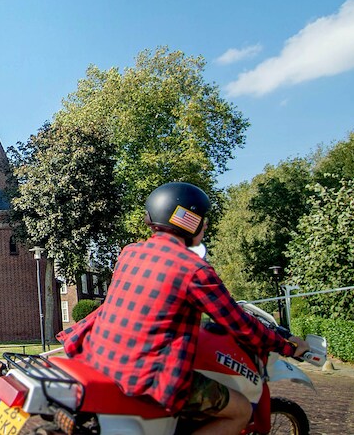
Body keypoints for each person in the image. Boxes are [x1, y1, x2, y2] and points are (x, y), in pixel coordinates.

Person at [58, 182, 309, 435]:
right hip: (145, 377)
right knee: (241, 410)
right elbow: (239, 324)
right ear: (187, 220)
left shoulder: (130, 252)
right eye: (202, 218)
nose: (206, 225)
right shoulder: (194, 270)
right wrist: (288, 345)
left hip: (99, 357)